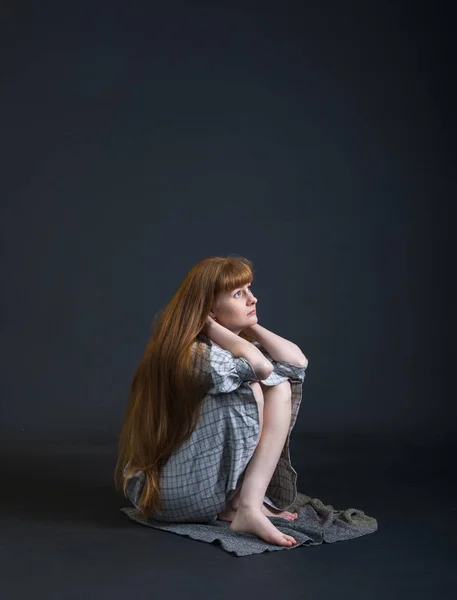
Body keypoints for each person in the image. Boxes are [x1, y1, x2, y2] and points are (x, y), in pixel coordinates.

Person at [115, 255, 308, 547]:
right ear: (210, 311)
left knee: (279, 389)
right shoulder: (192, 353)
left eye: (250, 289)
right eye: (238, 293)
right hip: (170, 496)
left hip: (205, 488)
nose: (253, 299)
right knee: (248, 389)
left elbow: (297, 362)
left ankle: (246, 505)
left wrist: (249, 324)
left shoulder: (232, 346)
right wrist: (209, 325)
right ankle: (246, 507)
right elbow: (260, 367)